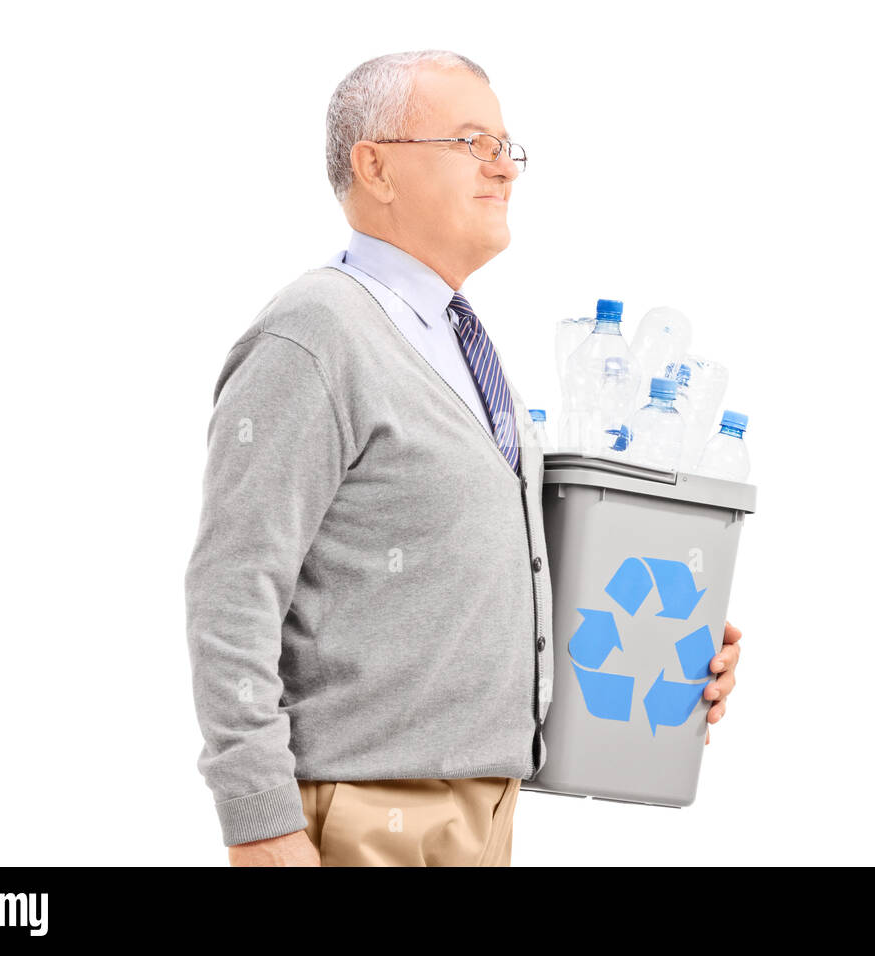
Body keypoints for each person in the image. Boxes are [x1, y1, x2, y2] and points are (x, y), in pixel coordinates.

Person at [184, 49, 743, 867]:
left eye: (508, 147)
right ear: (373, 165)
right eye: (473, 142)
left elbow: (487, 564)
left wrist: (668, 639)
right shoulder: (316, 334)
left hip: (481, 810)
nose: (505, 170)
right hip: (361, 813)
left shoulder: (461, 343)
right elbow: (232, 585)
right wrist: (260, 820)